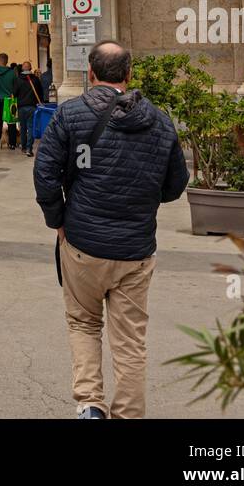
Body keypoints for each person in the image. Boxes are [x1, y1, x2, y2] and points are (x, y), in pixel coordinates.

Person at [33, 40, 189, 421]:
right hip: (135, 250)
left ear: (91, 74)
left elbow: (45, 175)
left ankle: (90, 404)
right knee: (130, 340)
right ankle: (128, 414)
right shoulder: (160, 120)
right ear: (129, 75)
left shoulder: (70, 115)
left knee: (83, 322)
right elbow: (175, 184)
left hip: (83, 244)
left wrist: (58, 221)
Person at [15, 61, 44, 158]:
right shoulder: (35, 79)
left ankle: (23, 147)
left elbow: (14, 93)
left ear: (22, 69)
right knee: (31, 127)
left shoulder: (18, 80)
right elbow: (40, 93)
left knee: (23, 128)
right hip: (32, 107)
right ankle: (29, 149)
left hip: (21, 107)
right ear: (31, 68)